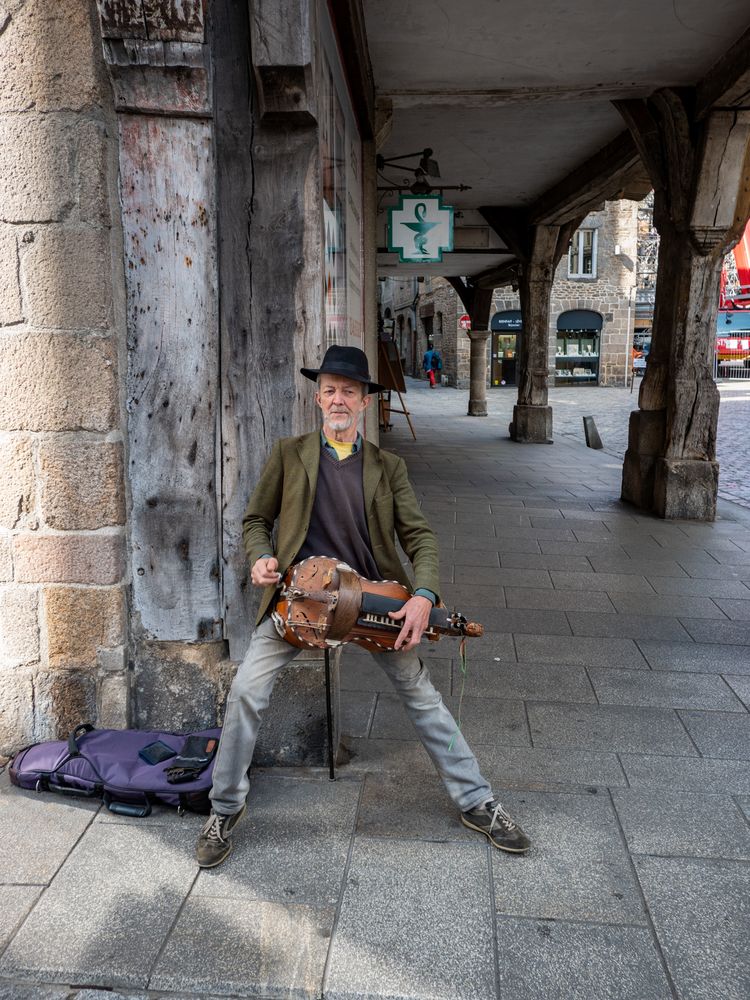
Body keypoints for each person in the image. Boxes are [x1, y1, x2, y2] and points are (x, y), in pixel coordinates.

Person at [195, 345, 530, 868]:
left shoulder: (387, 466)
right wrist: (261, 558)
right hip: (299, 602)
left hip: (374, 604)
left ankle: (477, 801)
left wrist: (423, 596)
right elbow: (255, 520)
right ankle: (224, 808)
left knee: (421, 696)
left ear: (365, 401)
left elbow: (419, 537)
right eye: (329, 389)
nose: (338, 399)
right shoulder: (289, 454)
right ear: (317, 398)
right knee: (245, 692)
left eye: (349, 390)